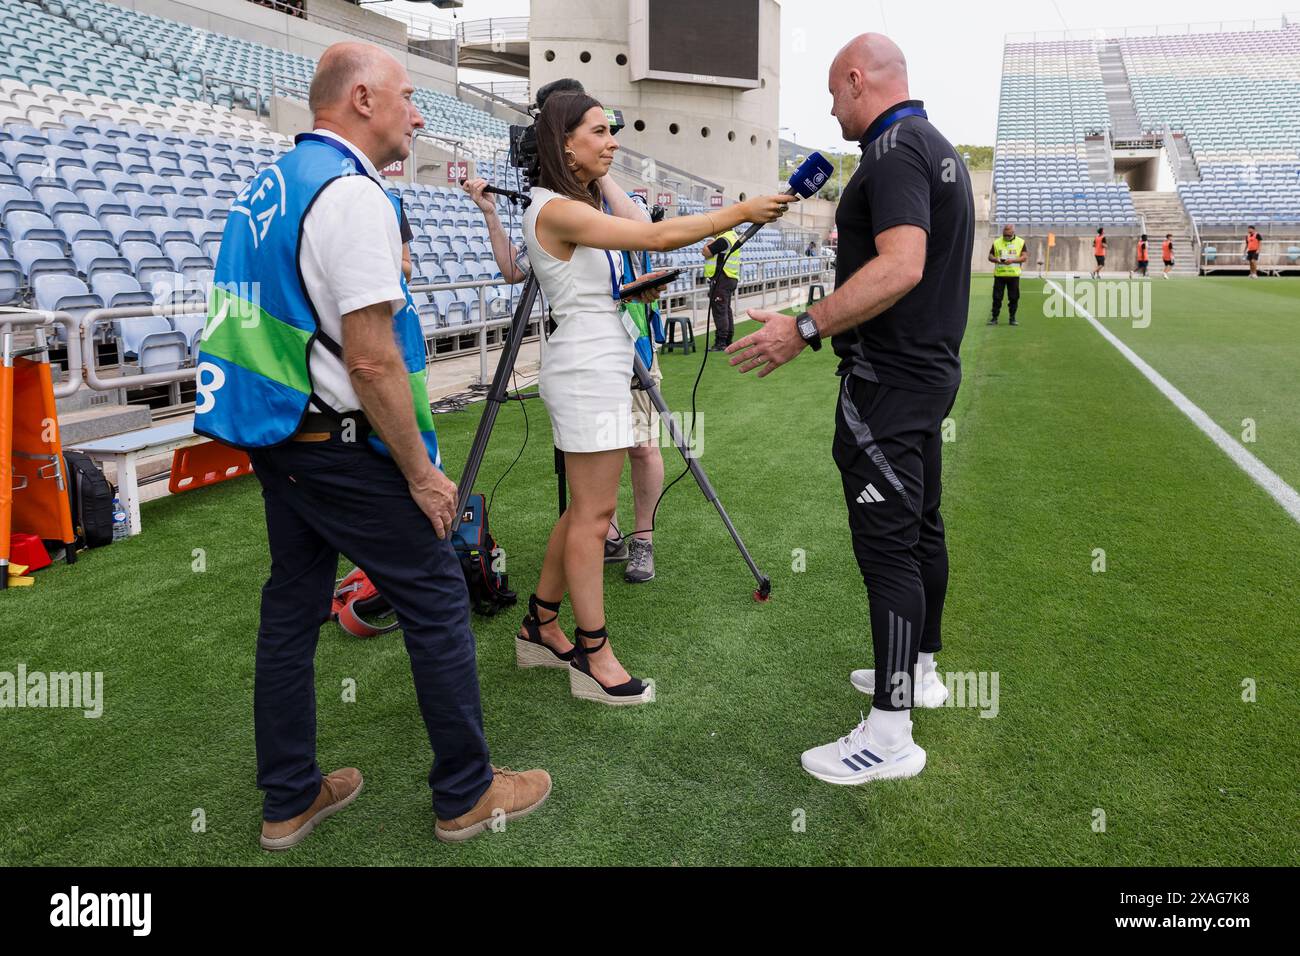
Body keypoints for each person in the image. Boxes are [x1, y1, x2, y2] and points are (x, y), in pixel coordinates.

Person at [193, 42, 550, 848]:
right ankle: (466, 793)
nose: (419, 114)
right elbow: (371, 356)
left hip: (280, 433)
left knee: (290, 608)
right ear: (360, 98)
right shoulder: (351, 194)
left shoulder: (274, 184)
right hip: (338, 440)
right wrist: (423, 474)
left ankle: (289, 798)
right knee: (434, 595)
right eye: (408, 96)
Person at [725, 33, 973, 784]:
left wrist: (802, 328)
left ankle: (891, 734)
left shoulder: (893, 149)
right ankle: (919, 670)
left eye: (835, 92)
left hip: (889, 382)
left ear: (859, 80)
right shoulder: (934, 145)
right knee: (922, 525)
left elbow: (902, 264)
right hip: (925, 377)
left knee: (888, 549)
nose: (831, 107)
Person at [516, 89, 792, 704]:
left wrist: (623, 295)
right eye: (598, 131)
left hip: (595, 360)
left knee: (582, 513)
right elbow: (660, 238)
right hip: (586, 369)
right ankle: (594, 656)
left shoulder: (562, 204)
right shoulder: (556, 207)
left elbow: (593, 277)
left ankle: (541, 623)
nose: (612, 140)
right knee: (592, 519)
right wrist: (741, 209)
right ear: (564, 142)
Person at [459, 176, 665, 585]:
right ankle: (608, 531)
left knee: (642, 446)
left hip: (633, 342)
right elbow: (511, 270)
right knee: (593, 448)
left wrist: (601, 179)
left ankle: (644, 539)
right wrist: (490, 214)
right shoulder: (552, 214)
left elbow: (644, 229)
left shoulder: (619, 200)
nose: (607, 144)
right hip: (583, 351)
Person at [703, 225, 742, 352]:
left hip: (722, 278)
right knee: (726, 310)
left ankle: (721, 342)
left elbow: (706, 252)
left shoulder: (723, 239)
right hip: (729, 277)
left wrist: (709, 243)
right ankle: (727, 340)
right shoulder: (732, 236)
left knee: (720, 311)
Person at [987, 223, 1025, 326]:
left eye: (1008, 235)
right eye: (1005, 235)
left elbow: (1024, 257)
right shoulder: (997, 242)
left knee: (1013, 298)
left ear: (1013, 233)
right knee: (997, 298)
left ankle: (1012, 318)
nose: (1006, 237)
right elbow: (990, 256)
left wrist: (1013, 260)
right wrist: (996, 259)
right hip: (1000, 275)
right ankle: (994, 318)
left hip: (1013, 276)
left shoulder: (1021, 242)